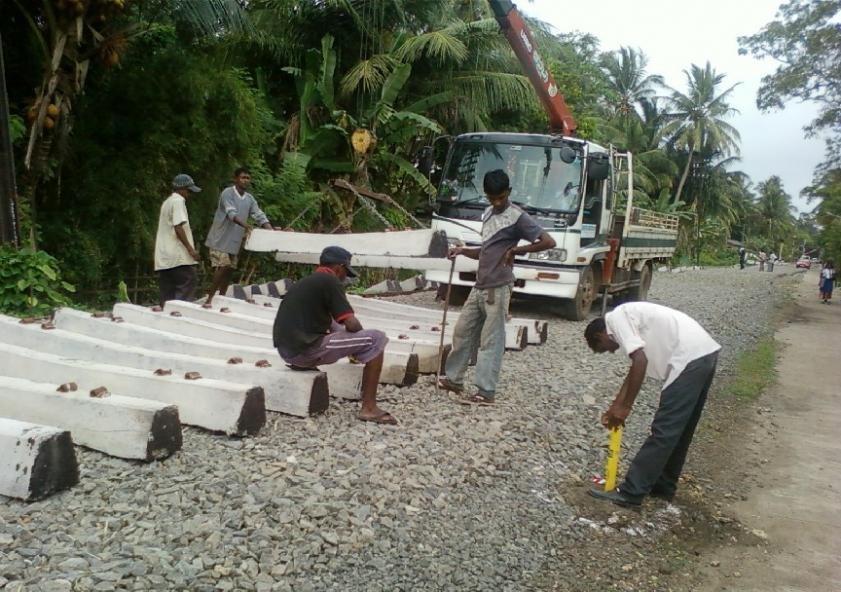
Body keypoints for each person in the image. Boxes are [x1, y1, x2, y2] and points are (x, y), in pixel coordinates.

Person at [584, 302, 721, 507]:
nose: (611, 352)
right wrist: (616, 405)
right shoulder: (629, 318)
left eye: (603, 348)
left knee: (664, 429)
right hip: (705, 352)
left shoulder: (616, 318)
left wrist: (625, 408)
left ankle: (632, 492)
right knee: (680, 429)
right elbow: (634, 369)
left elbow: (640, 361)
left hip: (688, 358)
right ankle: (663, 487)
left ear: (600, 335)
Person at [437, 169, 556, 404]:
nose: (497, 202)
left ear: (509, 192)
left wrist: (516, 250)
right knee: (463, 332)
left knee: (491, 340)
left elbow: (548, 241)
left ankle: (485, 391)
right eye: (493, 198)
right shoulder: (489, 213)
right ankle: (454, 378)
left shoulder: (517, 216)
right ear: (487, 196)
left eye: (501, 197)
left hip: (499, 287)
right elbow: (486, 251)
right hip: (480, 285)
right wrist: (462, 251)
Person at [273, 246, 396, 425]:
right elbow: (352, 325)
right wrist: (358, 344)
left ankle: (349, 357)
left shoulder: (307, 281)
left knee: (333, 321)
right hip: (304, 351)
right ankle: (369, 408)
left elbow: (334, 323)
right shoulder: (330, 281)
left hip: (287, 350)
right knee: (376, 338)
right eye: (345, 272)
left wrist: (350, 345)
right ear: (338, 268)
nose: (345, 278)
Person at [204, 167, 273, 306]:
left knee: (229, 270)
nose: (245, 180)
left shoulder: (249, 198)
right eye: (243, 177)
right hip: (220, 238)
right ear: (235, 179)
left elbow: (259, 215)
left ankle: (221, 298)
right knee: (222, 266)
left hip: (234, 241)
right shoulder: (227, 193)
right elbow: (231, 214)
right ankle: (210, 299)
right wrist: (246, 225)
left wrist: (270, 230)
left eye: (248, 178)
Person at [154, 174, 202, 306]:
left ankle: (165, 317)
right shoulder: (178, 201)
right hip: (177, 255)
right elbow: (178, 226)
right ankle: (181, 313)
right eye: (188, 190)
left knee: (167, 291)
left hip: (165, 256)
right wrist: (191, 250)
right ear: (181, 189)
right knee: (187, 281)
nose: (189, 194)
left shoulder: (167, 202)